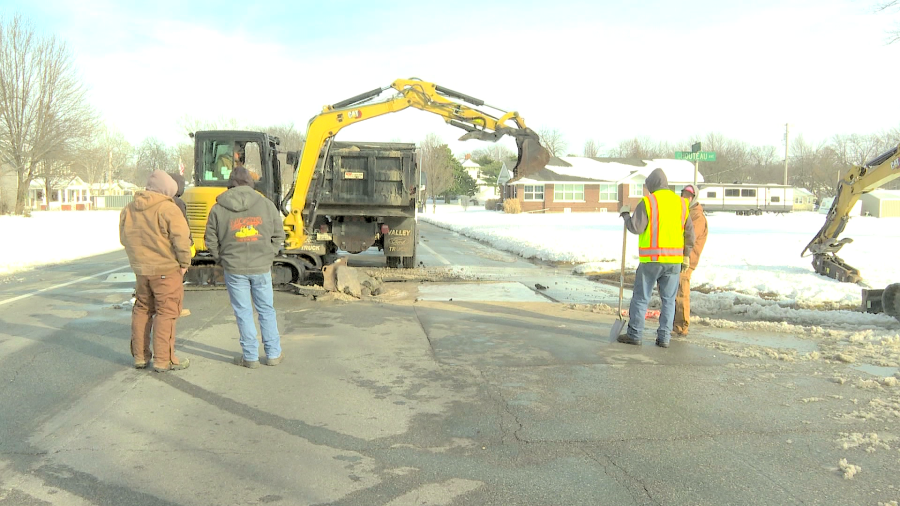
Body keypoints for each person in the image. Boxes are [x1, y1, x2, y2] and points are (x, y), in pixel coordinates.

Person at [204, 166, 285, 368]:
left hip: (234, 268)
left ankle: (250, 357)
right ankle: (273, 354)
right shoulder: (266, 204)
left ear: (230, 184)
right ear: (250, 183)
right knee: (266, 309)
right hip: (261, 266)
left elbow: (210, 240)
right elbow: (279, 235)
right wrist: (269, 254)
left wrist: (222, 259)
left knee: (243, 312)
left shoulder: (218, 208)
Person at [119, 170, 192, 372]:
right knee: (166, 312)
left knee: (142, 309)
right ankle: (164, 359)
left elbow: (124, 239)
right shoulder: (168, 209)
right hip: (166, 270)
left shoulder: (128, 209)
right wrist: (184, 263)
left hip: (141, 271)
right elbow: (182, 241)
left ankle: (140, 357)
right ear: (167, 190)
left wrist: (139, 261)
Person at [618, 168, 695, 348]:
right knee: (668, 300)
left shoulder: (649, 201)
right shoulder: (681, 203)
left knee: (641, 297)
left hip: (652, 261)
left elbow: (636, 228)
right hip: (674, 261)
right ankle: (664, 338)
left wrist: (625, 216)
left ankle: (635, 334)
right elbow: (689, 234)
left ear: (651, 185)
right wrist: (686, 255)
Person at [674, 185, 708, 336]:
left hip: (687, 260)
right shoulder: (685, 211)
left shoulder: (697, 216)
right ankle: (674, 323)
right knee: (673, 292)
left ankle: (681, 327)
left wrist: (685, 256)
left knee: (681, 293)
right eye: (683, 194)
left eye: (688, 195)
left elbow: (689, 238)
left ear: (693, 197)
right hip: (677, 257)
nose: (685, 197)